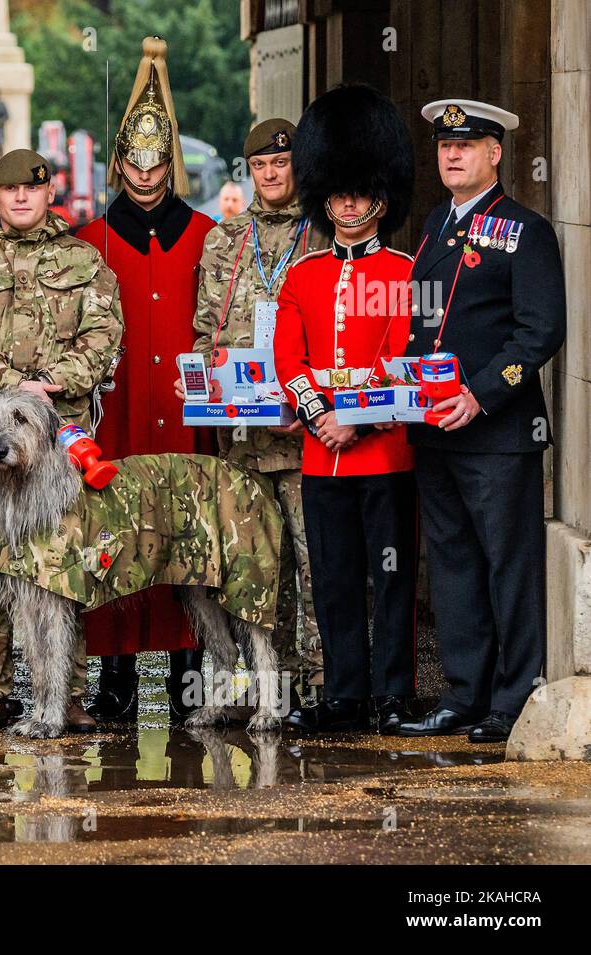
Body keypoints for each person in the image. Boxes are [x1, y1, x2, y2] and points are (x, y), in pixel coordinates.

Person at [397, 100, 566, 743]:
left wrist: (483, 395)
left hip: (495, 432)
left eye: (467, 145)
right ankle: (465, 694)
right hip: (435, 427)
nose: (453, 154)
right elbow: (425, 326)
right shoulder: (437, 225)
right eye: (444, 146)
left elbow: (540, 331)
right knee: (453, 564)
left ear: (496, 153)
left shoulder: (526, 230)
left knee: (508, 564)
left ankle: (513, 697)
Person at [0, 148, 124, 733]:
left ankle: (64, 691)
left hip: (59, 445)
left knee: (64, 565)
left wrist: (56, 383)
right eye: (9, 189)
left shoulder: (84, 259)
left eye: (32, 189)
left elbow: (105, 336)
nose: (21, 198)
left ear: (49, 195)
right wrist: (20, 388)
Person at [74, 37, 215, 724]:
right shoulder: (89, 242)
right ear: (119, 160)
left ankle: (190, 672)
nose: (146, 170)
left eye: (158, 158)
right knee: (118, 540)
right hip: (118, 420)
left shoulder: (211, 235)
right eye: (135, 157)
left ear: (171, 161)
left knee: (186, 539)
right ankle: (116, 675)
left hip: (185, 418)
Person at [273, 84, 419, 735]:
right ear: (323, 196)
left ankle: (392, 690)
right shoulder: (301, 275)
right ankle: (345, 692)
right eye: (337, 192)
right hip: (319, 456)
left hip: (382, 452)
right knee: (331, 579)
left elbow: (398, 357)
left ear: (380, 198)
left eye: (359, 192)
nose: (348, 202)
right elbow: (289, 356)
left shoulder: (404, 271)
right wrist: (314, 413)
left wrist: (353, 419)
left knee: (390, 580)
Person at [183, 117, 328, 709]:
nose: (271, 174)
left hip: (304, 429)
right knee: (254, 559)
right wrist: (201, 380)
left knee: (312, 556)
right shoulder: (225, 239)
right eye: (261, 165)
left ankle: (319, 677)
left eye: (281, 163)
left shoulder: (321, 233)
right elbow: (202, 329)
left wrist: (311, 401)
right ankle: (273, 681)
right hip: (240, 434)